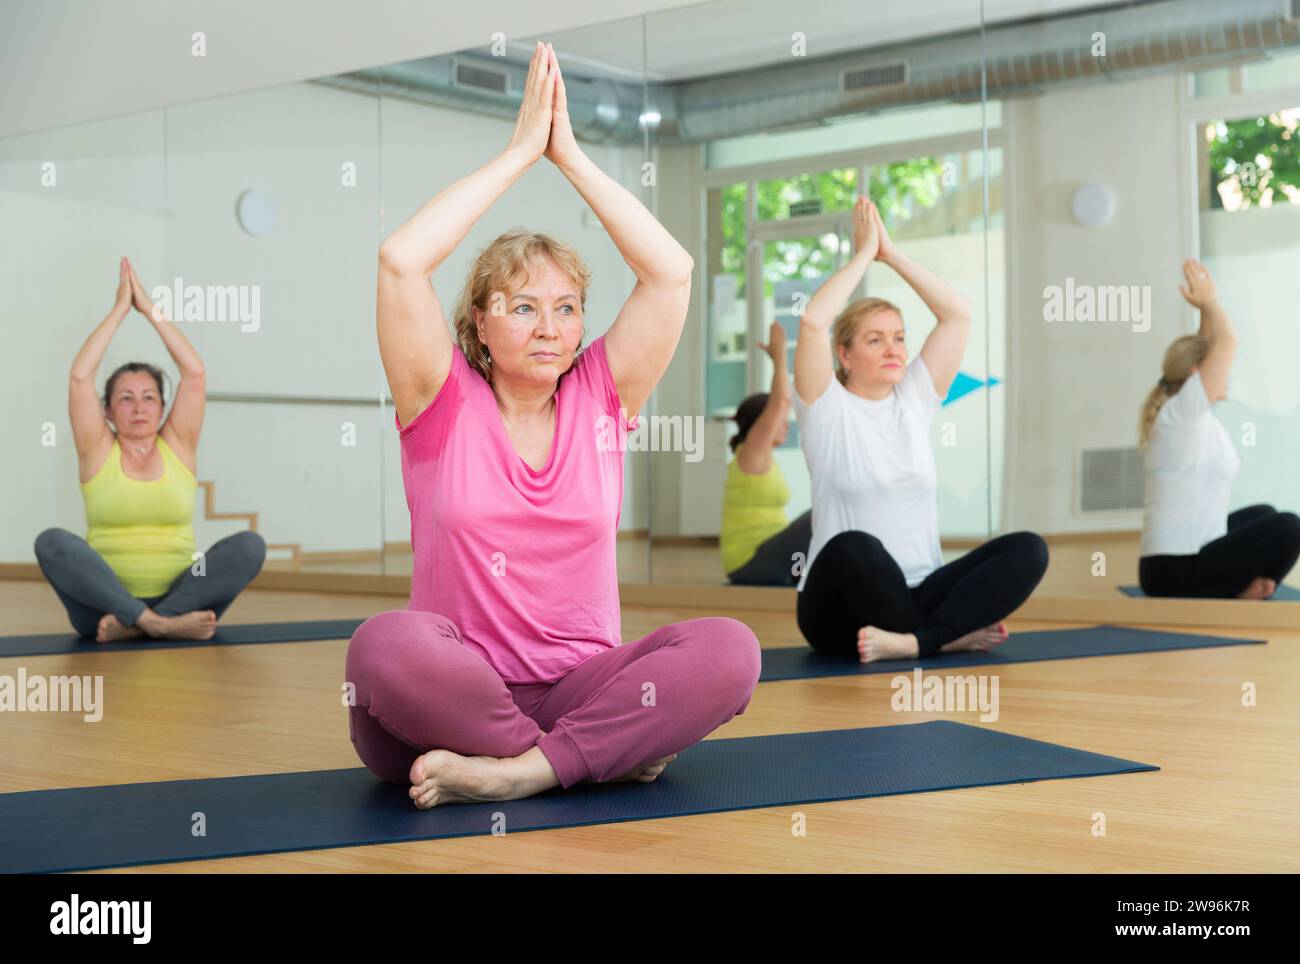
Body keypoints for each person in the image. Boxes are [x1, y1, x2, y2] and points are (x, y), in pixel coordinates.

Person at [346, 41, 760, 810]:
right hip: (452, 692)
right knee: (379, 649)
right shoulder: (439, 399)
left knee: (731, 650)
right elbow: (401, 260)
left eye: (566, 307)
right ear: (480, 320)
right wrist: (517, 155)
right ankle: (584, 758)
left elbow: (671, 272)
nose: (550, 327)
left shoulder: (603, 397)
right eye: (524, 306)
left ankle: (521, 771)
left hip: (581, 686)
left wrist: (567, 154)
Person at [792, 196, 1048, 663]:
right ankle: (946, 637)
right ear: (844, 356)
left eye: (899, 337)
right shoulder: (826, 408)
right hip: (838, 611)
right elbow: (812, 323)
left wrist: (892, 254)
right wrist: (863, 256)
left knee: (1028, 549)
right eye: (875, 339)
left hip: (918, 592)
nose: (893, 349)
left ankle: (916, 642)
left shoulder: (913, 398)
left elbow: (957, 315)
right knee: (856, 548)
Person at [34, 257, 266, 642]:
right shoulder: (96, 449)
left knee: (249, 547)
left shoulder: (179, 443)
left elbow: (194, 373)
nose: (139, 407)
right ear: (106, 410)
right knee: (52, 543)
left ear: (162, 406)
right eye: (125, 399)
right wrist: (119, 311)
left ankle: (142, 623)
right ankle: (158, 625)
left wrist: (150, 309)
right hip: (102, 604)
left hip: (183, 594)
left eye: (148, 397)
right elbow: (80, 376)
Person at [1137, 259, 1300, 599]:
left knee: (1265, 514)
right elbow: (1227, 341)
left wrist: (1204, 312)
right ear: (1198, 374)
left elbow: (1210, 344)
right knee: (1288, 526)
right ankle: (1241, 592)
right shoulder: (1182, 414)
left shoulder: (1187, 411)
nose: (1226, 371)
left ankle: (1244, 588)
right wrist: (1212, 302)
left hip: (1188, 557)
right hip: (1174, 571)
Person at [721, 321, 811, 586]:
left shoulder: (762, 459)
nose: (784, 423)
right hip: (748, 560)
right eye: (777, 419)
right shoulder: (751, 453)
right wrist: (781, 357)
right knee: (822, 515)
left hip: (765, 555)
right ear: (762, 424)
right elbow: (782, 401)